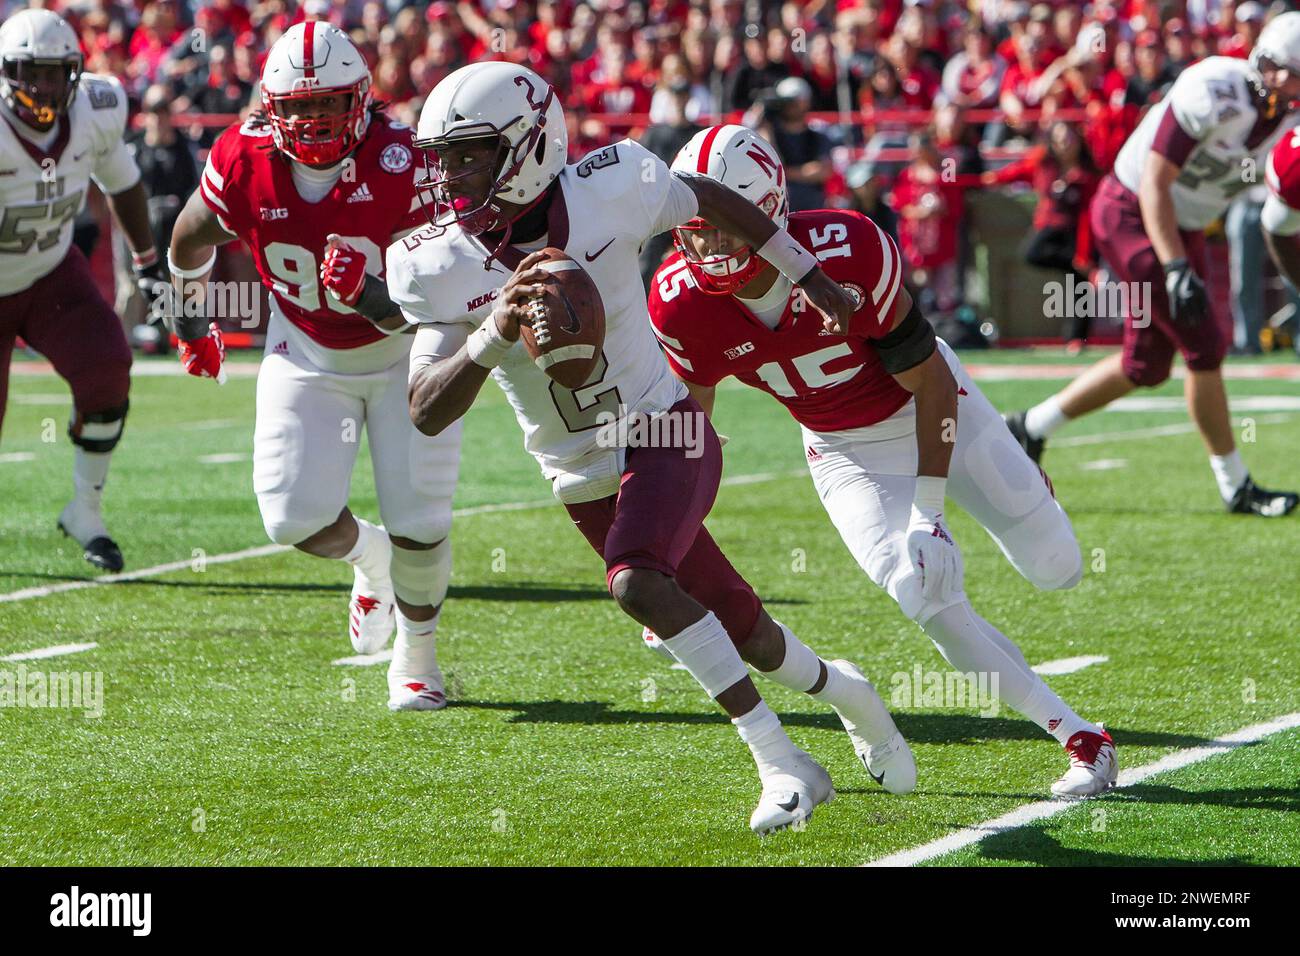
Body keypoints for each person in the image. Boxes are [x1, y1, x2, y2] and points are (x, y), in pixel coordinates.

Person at [392, 63, 916, 834]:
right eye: (444, 157)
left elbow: (707, 197)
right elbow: (425, 409)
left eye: (469, 154)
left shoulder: (613, 183)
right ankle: (847, 692)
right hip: (577, 472)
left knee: (636, 581)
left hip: (665, 426)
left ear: (532, 144)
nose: (452, 174)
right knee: (749, 633)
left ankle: (780, 759)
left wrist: (805, 273)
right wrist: (491, 332)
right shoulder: (434, 261)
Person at [647, 125, 1118, 800]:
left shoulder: (848, 247)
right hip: (841, 447)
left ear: (770, 208)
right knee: (921, 593)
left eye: (725, 226)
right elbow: (694, 431)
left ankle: (1024, 479)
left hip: (927, 404)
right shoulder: (678, 302)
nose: (709, 245)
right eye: (697, 229)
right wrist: (666, 545)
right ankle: (1083, 738)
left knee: (1057, 568)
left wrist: (929, 509)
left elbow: (928, 381)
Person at [167, 23, 465, 710]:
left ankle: (417, 660)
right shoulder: (244, 159)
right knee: (290, 517)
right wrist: (190, 321)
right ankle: (370, 557)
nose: (312, 119)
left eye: (327, 103)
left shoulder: (404, 161)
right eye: (297, 107)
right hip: (304, 348)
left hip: (406, 357)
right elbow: (187, 237)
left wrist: (368, 293)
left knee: (420, 517)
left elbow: (433, 308)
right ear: (271, 109)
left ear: (360, 100)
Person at [1005, 14, 1300, 518]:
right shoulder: (1213, 87)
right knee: (1204, 344)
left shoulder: (1288, 125)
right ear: (1269, 66)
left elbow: (1279, 219)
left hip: (1181, 223)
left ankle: (1029, 427)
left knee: (1147, 364)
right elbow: (1154, 183)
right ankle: (1236, 486)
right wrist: (1177, 267)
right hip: (1131, 209)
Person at [0, 9, 168, 573]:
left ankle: (86, 511)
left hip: (48, 271)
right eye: (32, 73)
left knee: (107, 370)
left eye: (56, 73)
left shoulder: (95, 109)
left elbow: (121, 182)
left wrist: (148, 263)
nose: (45, 87)